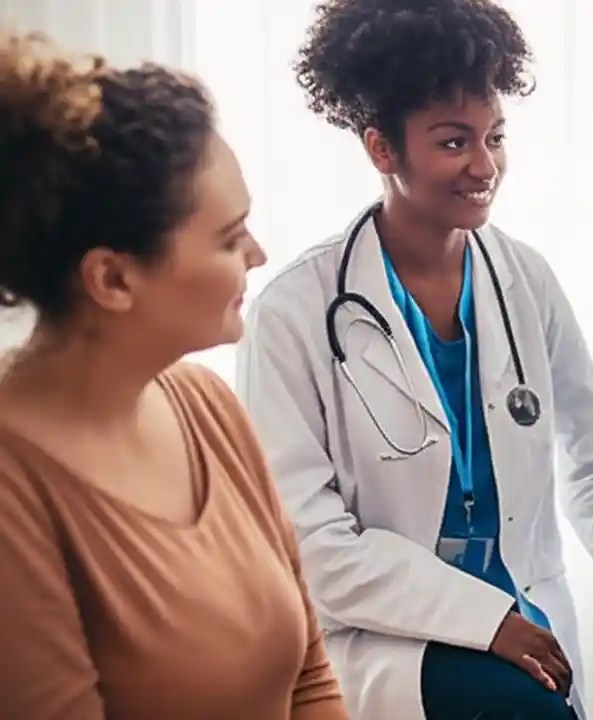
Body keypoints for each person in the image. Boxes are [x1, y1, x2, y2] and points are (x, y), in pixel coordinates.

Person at [234, 1, 593, 718]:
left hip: (522, 612)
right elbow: (313, 545)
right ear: (381, 149)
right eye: (454, 142)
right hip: (387, 633)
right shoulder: (295, 313)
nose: (485, 166)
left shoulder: (525, 281)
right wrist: (484, 621)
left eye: (495, 137)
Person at [0, 30, 347, 720]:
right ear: (113, 278)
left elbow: (309, 678)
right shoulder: (16, 487)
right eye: (228, 237)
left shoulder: (207, 406)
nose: (257, 253)